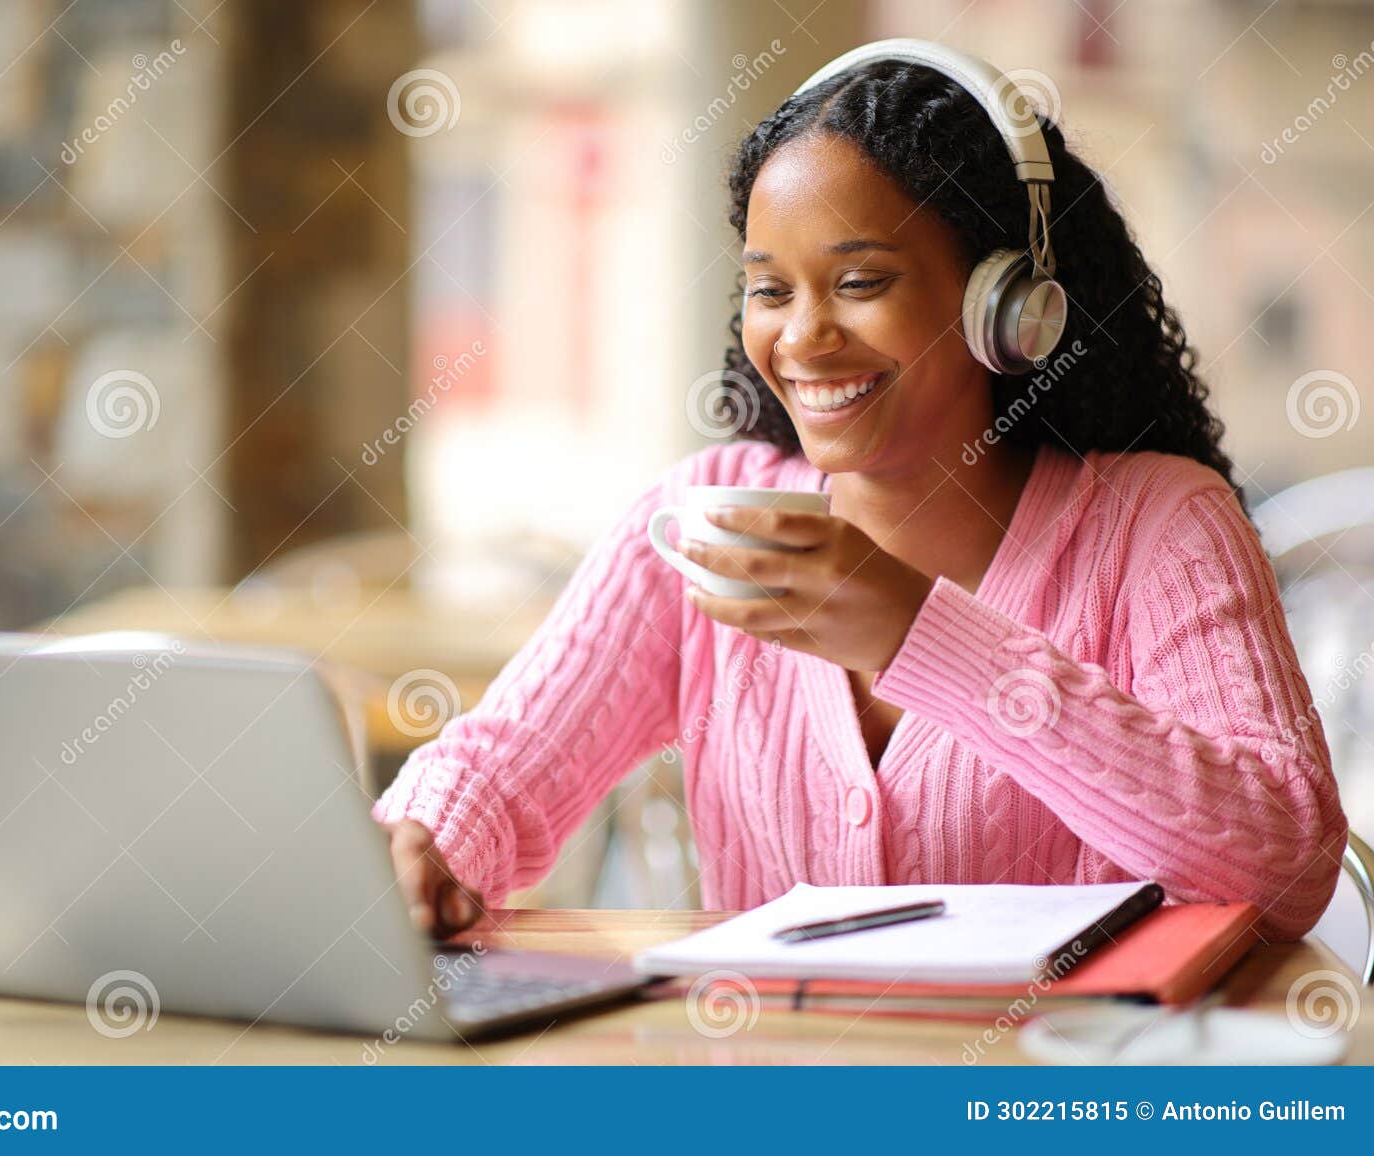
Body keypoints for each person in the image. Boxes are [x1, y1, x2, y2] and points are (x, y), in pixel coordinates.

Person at [372, 46, 1347, 944]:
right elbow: (501, 770)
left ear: (1006, 304)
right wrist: (429, 841)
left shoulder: (1157, 527)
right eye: (769, 289)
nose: (801, 337)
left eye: (859, 281)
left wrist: (918, 636)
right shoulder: (705, 515)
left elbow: (1285, 863)